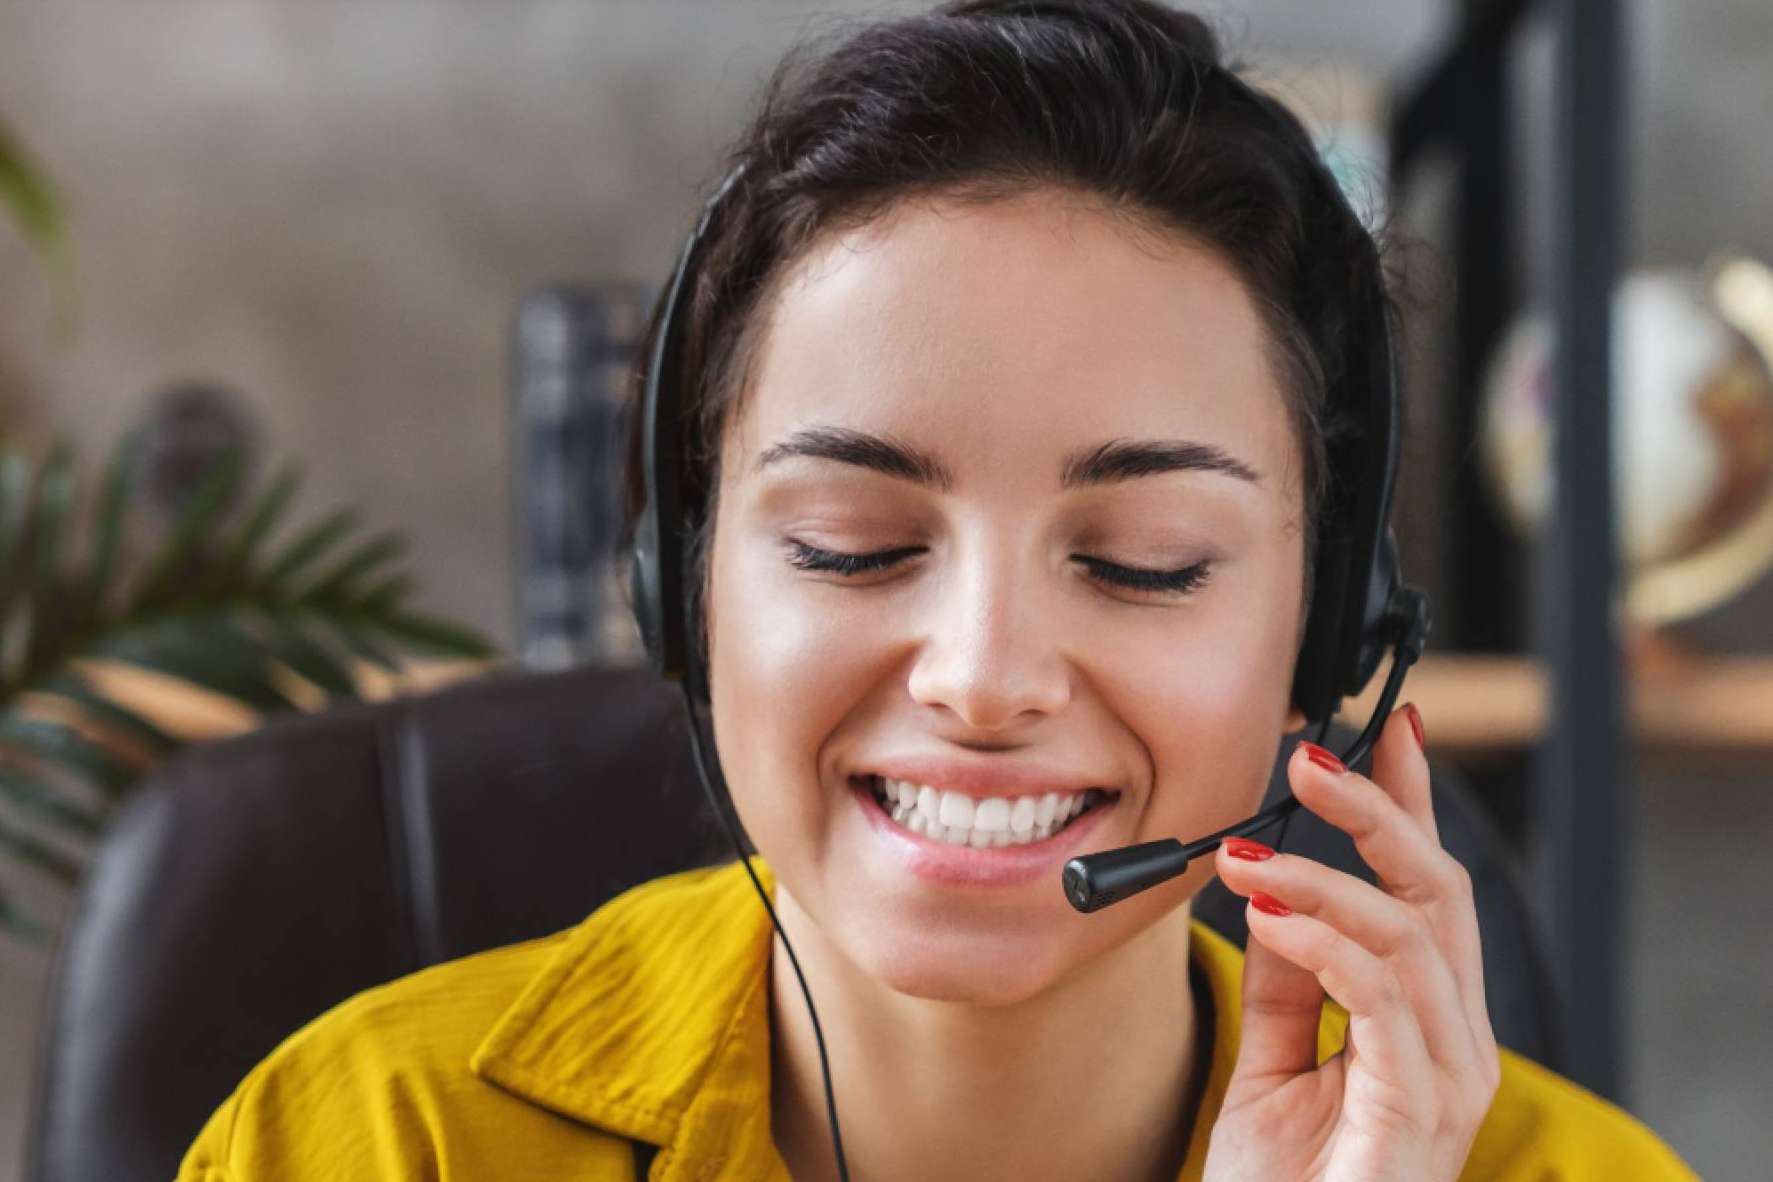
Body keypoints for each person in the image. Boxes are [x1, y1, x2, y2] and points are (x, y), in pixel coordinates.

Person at [176, 1, 1699, 1178]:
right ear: (679, 582)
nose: (981, 674)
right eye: (851, 540)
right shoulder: (366, 1141)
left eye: (1140, 561)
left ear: (1324, 630)